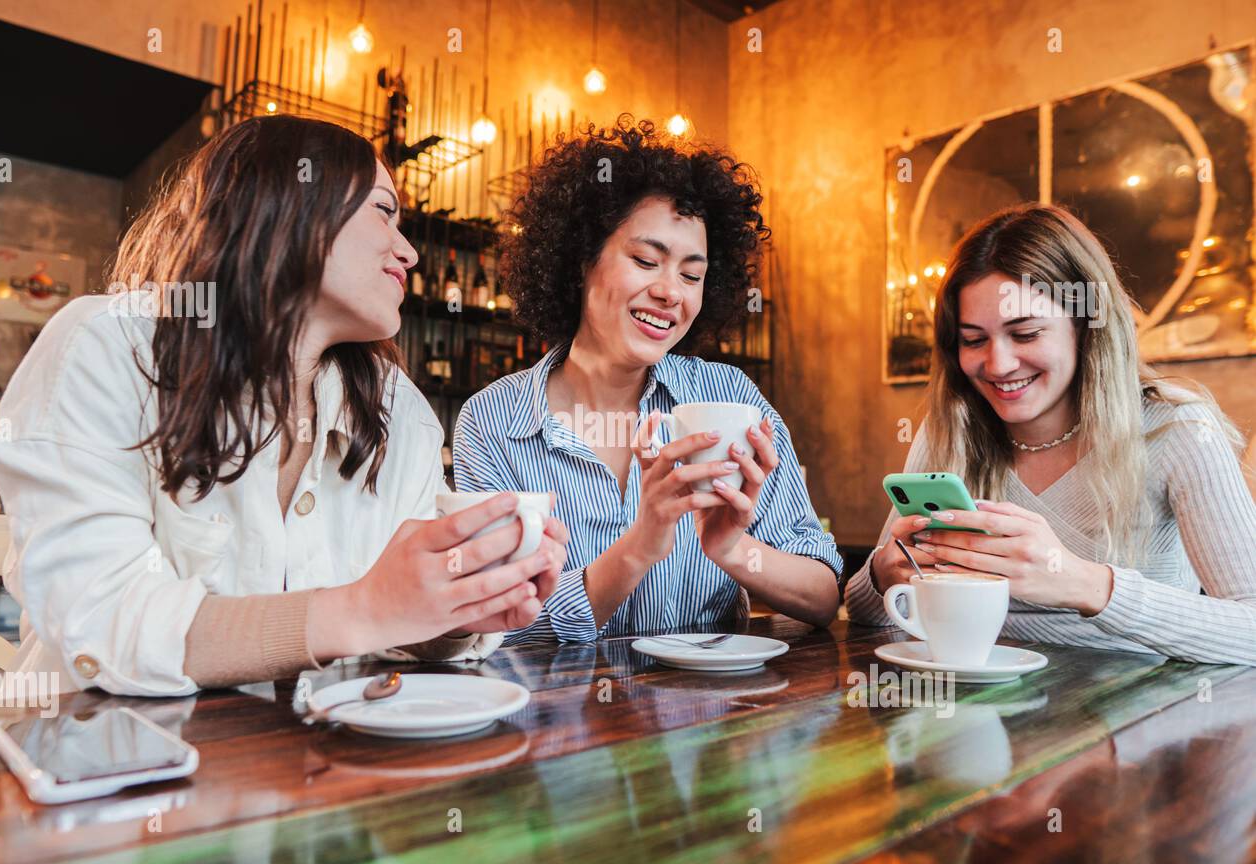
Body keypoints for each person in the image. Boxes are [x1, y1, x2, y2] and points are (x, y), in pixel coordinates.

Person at [0, 116, 567, 696]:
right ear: (288, 201)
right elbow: (106, 621)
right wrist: (362, 609)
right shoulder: (108, 344)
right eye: (384, 213)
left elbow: (396, 627)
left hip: (310, 765)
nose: (410, 252)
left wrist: (457, 608)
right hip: (93, 763)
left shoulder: (399, 409)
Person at [453, 118, 842, 643]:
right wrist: (639, 547)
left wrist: (730, 549)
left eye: (691, 275)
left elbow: (822, 596)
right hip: (562, 721)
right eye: (645, 260)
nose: (670, 293)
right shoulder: (492, 420)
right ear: (580, 261)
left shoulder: (730, 402)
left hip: (709, 716)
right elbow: (493, 627)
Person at [845, 203, 1256, 664]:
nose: (998, 365)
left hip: (1132, 716)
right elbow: (869, 619)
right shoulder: (949, 432)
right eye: (974, 340)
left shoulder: (1177, 431)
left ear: (1086, 328)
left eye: (1026, 334)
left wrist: (1085, 585)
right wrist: (883, 573)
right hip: (980, 710)